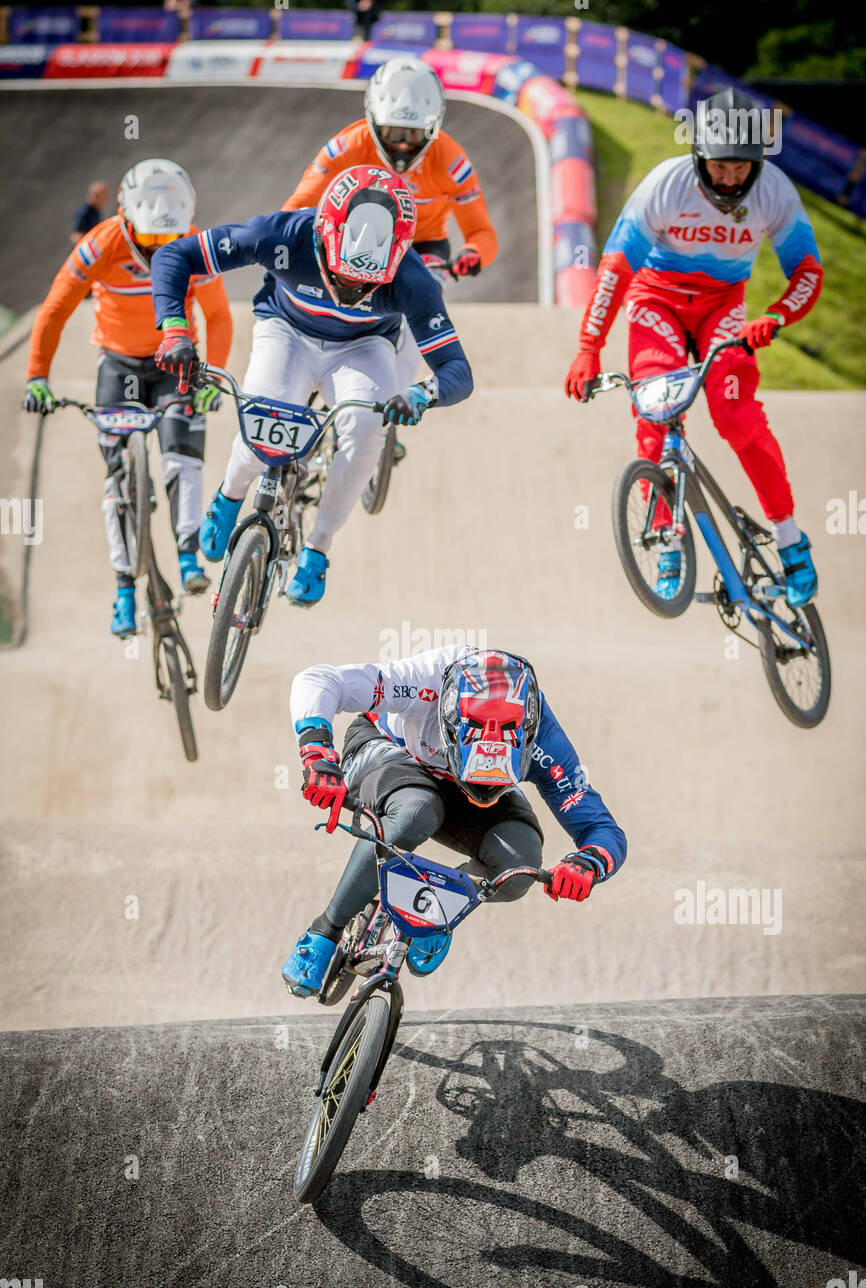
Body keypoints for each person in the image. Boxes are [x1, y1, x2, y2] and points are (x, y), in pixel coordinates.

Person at [150, 165, 473, 607]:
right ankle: (229, 493)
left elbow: (457, 370)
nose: (351, 289)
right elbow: (174, 257)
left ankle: (318, 547)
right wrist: (174, 329)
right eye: (341, 276)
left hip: (363, 347)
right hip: (286, 330)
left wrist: (421, 394)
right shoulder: (283, 234)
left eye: (366, 284)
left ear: (396, 256)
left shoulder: (411, 278)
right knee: (264, 413)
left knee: (364, 432)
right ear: (323, 235)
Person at [564, 86, 824, 608]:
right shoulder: (666, 185)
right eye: (721, 166)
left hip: (722, 307)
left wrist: (774, 316)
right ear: (699, 157)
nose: (731, 179)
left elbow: (807, 273)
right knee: (653, 417)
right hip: (655, 300)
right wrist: (590, 346)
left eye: (741, 169)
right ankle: (667, 539)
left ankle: (792, 542)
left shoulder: (774, 191)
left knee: (737, 419)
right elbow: (615, 271)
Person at [282, 646, 627, 997]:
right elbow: (319, 679)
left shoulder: (542, 736)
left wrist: (588, 862)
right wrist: (316, 752)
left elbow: (602, 829)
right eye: (479, 773)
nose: (484, 784)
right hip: (388, 748)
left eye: (497, 774)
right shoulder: (425, 683)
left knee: (521, 862)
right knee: (418, 810)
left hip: (450, 783)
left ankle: (437, 904)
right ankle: (326, 929)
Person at [24, 159, 232, 637]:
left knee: (183, 458)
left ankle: (187, 555)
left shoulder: (194, 243)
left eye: (168, 240)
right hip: (117, 365)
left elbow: (219, 317)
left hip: (175, 361)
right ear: (124, 217)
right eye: (150, 240)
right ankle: (123, 589)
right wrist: (37, 376)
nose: (160, 251)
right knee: (117, 479)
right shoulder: (102, 242)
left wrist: (212, 377)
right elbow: (55, 307)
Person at [283, 55, 497, 459]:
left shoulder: (452, 160)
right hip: (356, 240)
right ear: (371, 119)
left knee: (415, 325)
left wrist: (472, 253)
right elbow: (296, 208)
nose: (401, 143)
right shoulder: (346, 146)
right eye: (393, 130)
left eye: (414, 133)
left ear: (434, 127)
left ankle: (388, 408)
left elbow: (482, 232)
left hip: (423, 247)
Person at [70, 181, 110, 246]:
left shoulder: (96, 211)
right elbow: (76, 236)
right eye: (100, 196)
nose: (104, 199)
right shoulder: (84, 212)